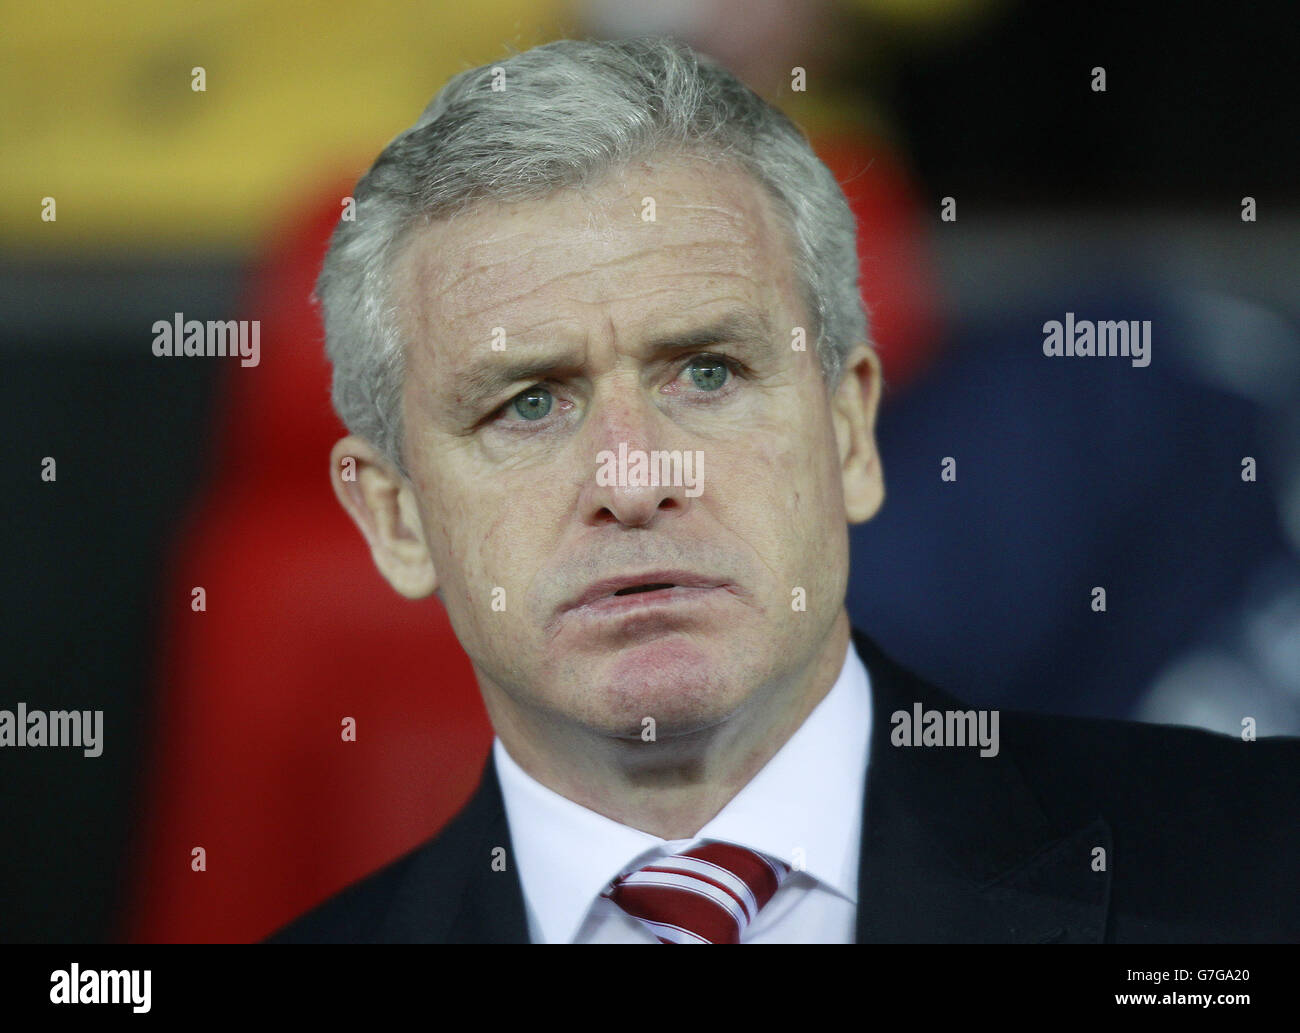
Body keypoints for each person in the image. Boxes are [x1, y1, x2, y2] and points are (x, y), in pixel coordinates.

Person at [267, 37, 1298, 943]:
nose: (633, 481)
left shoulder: (1259, 871)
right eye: (529, 405)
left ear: (850, 432)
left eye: (707, 373)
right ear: (394, 516)